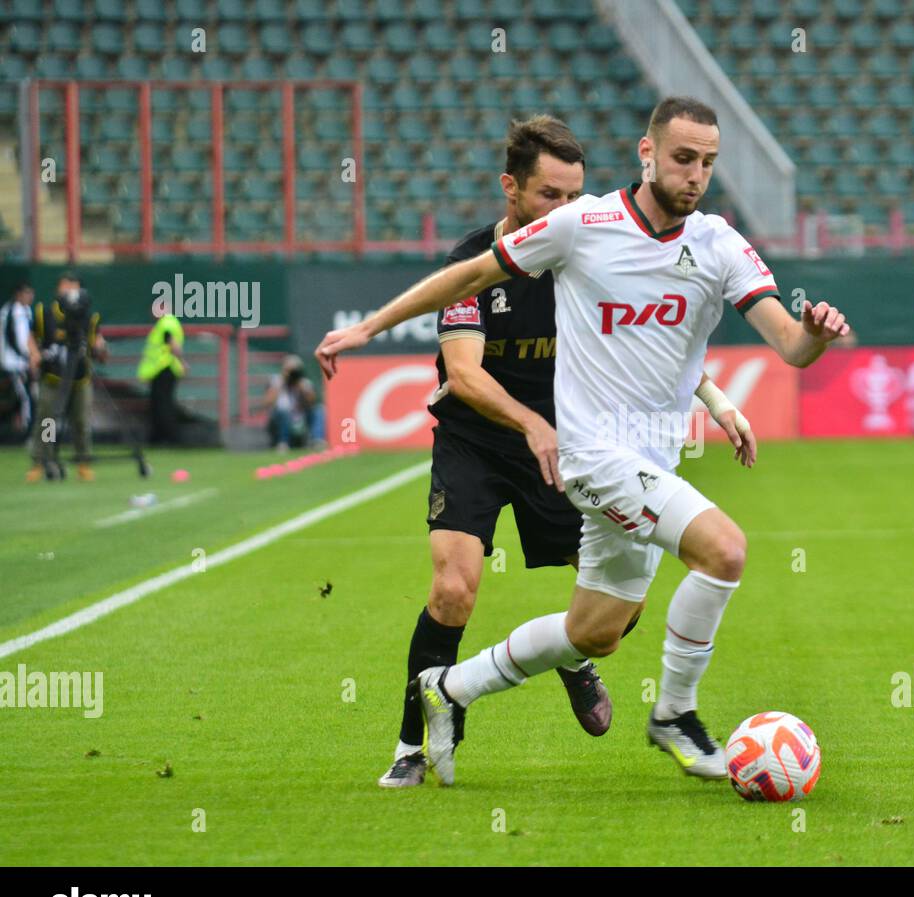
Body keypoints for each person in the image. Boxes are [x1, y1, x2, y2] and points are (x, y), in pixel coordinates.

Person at [317, 96, 848, 786]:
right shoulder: (582, 226)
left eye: (708, 162)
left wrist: (813, 334)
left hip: (647, 456)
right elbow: (472, 274)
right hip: (587, 453)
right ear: (647, 153)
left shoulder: (719, 243)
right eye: (683, 157)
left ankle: (449, 688)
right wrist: (368, 328)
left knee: (596, 629)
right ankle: (674, 714)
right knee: (724, 549)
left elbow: (786, 342)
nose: (695, 175)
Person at [376, 115, 754, 789]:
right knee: (454, 585)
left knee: (612, 619)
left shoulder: (583, 247)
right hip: (480, 439)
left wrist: (718, 401)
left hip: (571, 439)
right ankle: (412, 742)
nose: (567, 208)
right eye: (550, 194)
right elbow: (462, 373)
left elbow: (646, 340)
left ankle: (570, 652)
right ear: (510, 190)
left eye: (575, 194)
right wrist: (527, 421)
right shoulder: (476, 260)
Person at [27, 273, 107, 482]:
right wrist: (34, 354)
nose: (70, 290)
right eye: (66, 285)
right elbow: (31, 336)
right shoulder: (44, 313)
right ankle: (43, 461)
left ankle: (83, 461)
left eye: (74, 286)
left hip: (80, 378)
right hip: (53, 377)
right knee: (48, 421)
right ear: (58, 289)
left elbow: (98, 341)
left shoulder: (89, 317)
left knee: (80, 421)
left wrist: (100, 347)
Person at [136, 302, 186, 444]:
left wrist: (182, 362)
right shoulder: (168, 322)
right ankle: (158, 437)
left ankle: (171, 438)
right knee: (159, 404)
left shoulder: (166, 323)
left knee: (163, 406)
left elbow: (173, 344)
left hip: (164, 369)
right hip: (161, 369)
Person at [257, 355, 325, 452]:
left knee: (320, 409)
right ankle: (283, 443)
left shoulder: (304, 383)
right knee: (283, 411)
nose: (292, 374)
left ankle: (317, 441)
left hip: (301, 418)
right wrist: (282, 382)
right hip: (280, 420)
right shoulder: (276, 381)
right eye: (289, 371)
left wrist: (301, 387)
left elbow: (312, 403)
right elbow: (267, 402)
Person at [0, 281, 35, 438]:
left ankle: (25, 430)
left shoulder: (26, 310)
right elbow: (15, 340)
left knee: (21, 397)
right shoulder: (12, 312)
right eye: (26, 293)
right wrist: (27, 357)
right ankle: (27, 432)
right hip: (13, 362)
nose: (30, 297)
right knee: (24, 396)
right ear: (18, 295)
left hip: (21, 361)